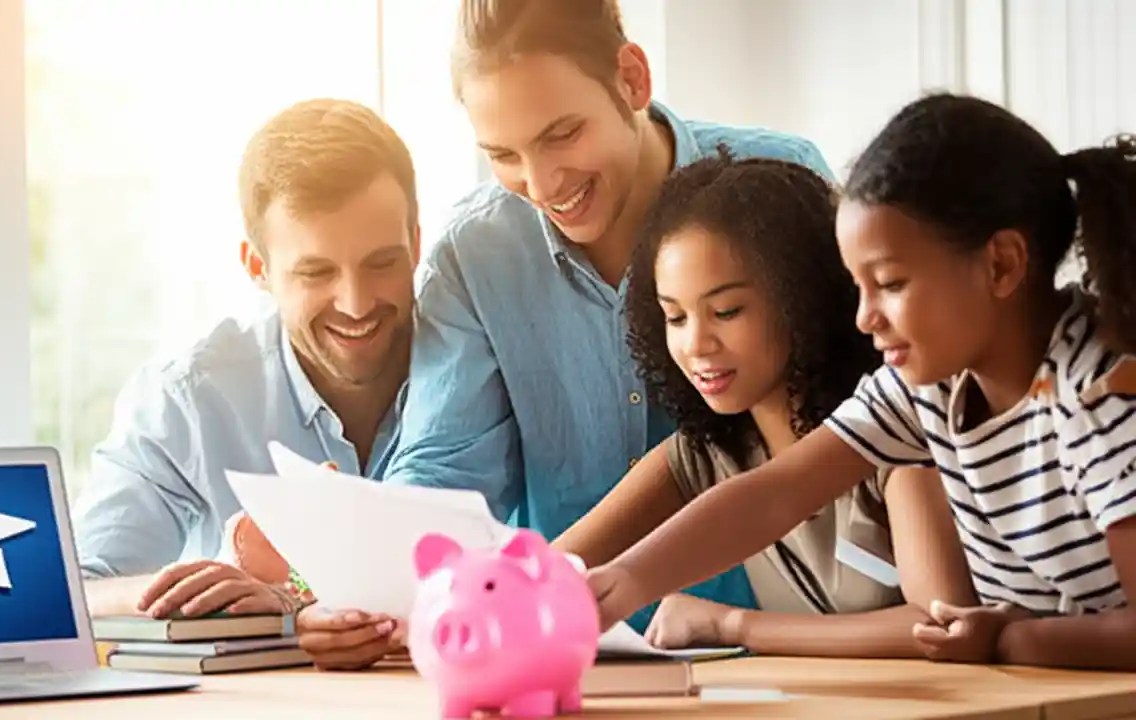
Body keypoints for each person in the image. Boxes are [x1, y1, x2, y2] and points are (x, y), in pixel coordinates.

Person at [333, 0, 829, 647]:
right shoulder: (475, 254)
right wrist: (353, 592)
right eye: (502, 154)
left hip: (785, 649)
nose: (540, 183)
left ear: (632, 79)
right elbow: (440, 473)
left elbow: (867, 420)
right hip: (559, 651)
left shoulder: (780, 185)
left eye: (561, 134)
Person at [588, 93, 1136, 670]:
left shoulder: (1102, 392)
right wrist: (627, 579)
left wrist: (1012, 639)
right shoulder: (927, 390)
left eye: (891, 284)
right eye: (859, 286)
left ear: (1001, 265)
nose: (864, 317)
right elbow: (775, 494)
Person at [555, 149, 976, 657]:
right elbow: (551, 567)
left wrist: (735, 624)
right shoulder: (702, 453)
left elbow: (942, 622)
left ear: (802, 297)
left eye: (726, 311)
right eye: (675, 317)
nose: (696, 345)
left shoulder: (888, 432)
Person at [72, 99, 418, 639]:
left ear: (416, 242)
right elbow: (79, 590)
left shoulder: (474, 363)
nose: (355, 303)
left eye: (382, 263)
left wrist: (295, 591)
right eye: (316, 272)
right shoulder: (188, 401)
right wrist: (209, 588)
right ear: (258, 268)